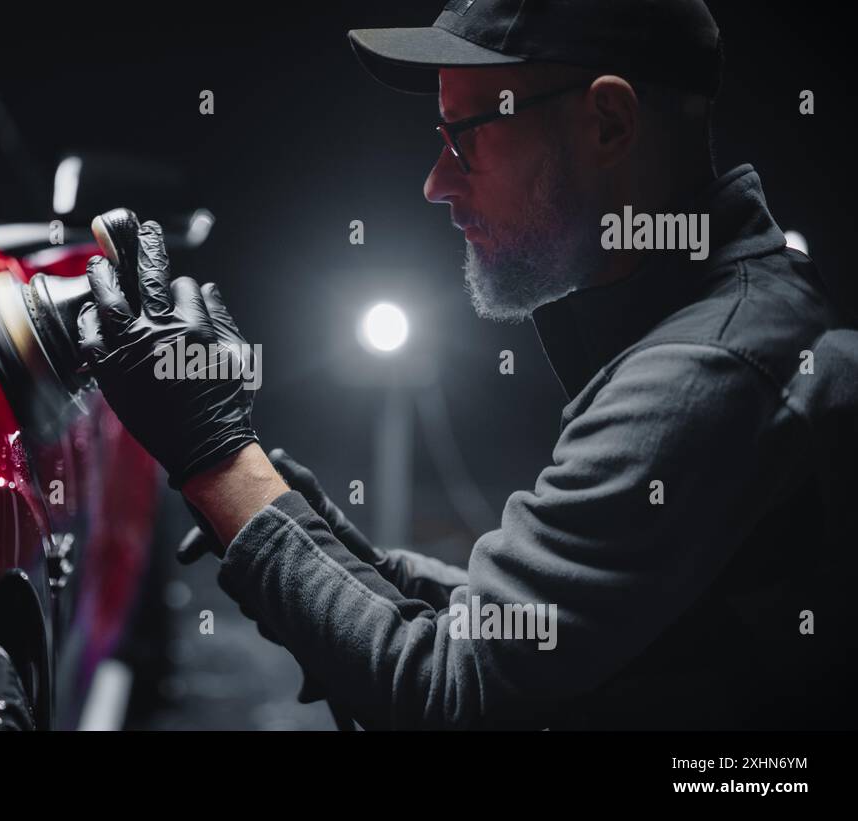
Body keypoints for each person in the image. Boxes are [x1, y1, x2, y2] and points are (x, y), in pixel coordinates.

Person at [75, 0, 858, 729]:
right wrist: (336, 555)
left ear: (610, 123)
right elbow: (569, 637)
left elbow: (451, 696)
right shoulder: (724, 314)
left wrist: (214, 455)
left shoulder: (705, 371)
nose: (436, 181)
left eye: (465, 134)